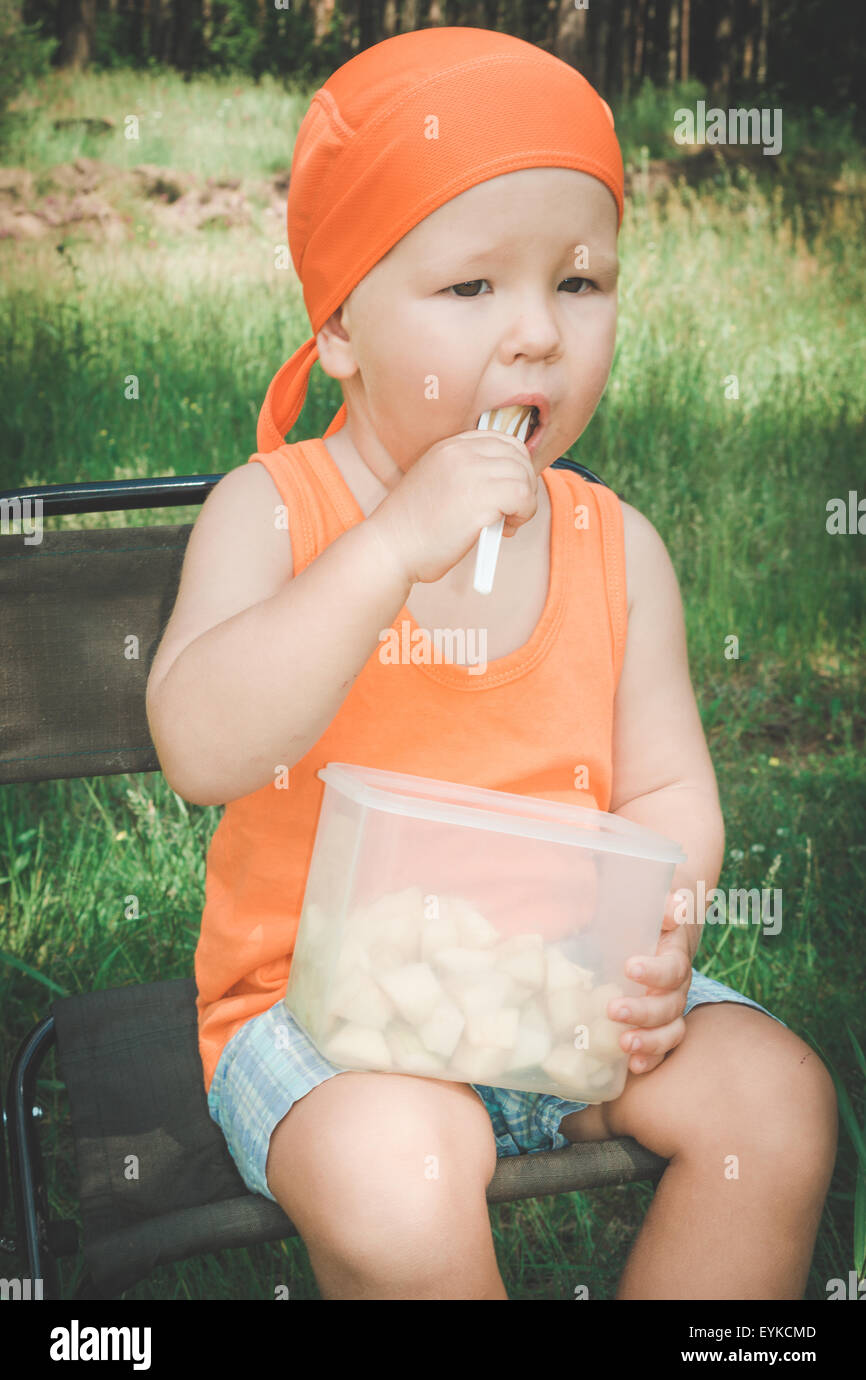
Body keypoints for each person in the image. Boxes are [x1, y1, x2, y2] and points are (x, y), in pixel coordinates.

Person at [145, 27, 837, 1300]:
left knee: (777, 1105)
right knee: (404, 1173)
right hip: (323, 1028)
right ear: (343, 326)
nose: (534, 335)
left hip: (556, 999)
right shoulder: (276, 511)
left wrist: (659, 930)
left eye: (578, 285)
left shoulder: (613, 546)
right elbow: (201, 747)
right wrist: (387, 550)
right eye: (471, 292)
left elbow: (669, 796)